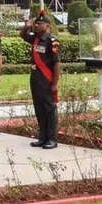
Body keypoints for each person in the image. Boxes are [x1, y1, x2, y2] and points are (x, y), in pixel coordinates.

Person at [21, 9, 60, 148]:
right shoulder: (35, 38)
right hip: (35, 77)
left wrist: (54, 83)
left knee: (49, 108)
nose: (37, 26)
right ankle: (42, 137)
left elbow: (56, 64)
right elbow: (23, 35)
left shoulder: (52, 41)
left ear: (47, 26)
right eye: (36, 24)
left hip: (46, 78)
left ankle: (52, 139)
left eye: (40, 24)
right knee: (39, 108)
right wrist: (27, 26)